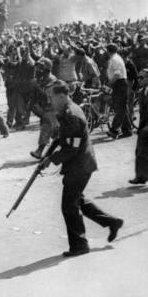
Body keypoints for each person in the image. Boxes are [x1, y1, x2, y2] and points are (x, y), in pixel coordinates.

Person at [47, 81, 123, 257]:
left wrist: (52, 159)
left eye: (51, 98)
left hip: (80, 165)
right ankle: (112, 222)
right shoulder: (68, 110)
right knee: (77, 200)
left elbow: (71, 148)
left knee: (69, 206)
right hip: (80, 163)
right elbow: (65, 139)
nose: (50, 102)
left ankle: (80, 245)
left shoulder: (71, 114)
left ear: (61, 96)